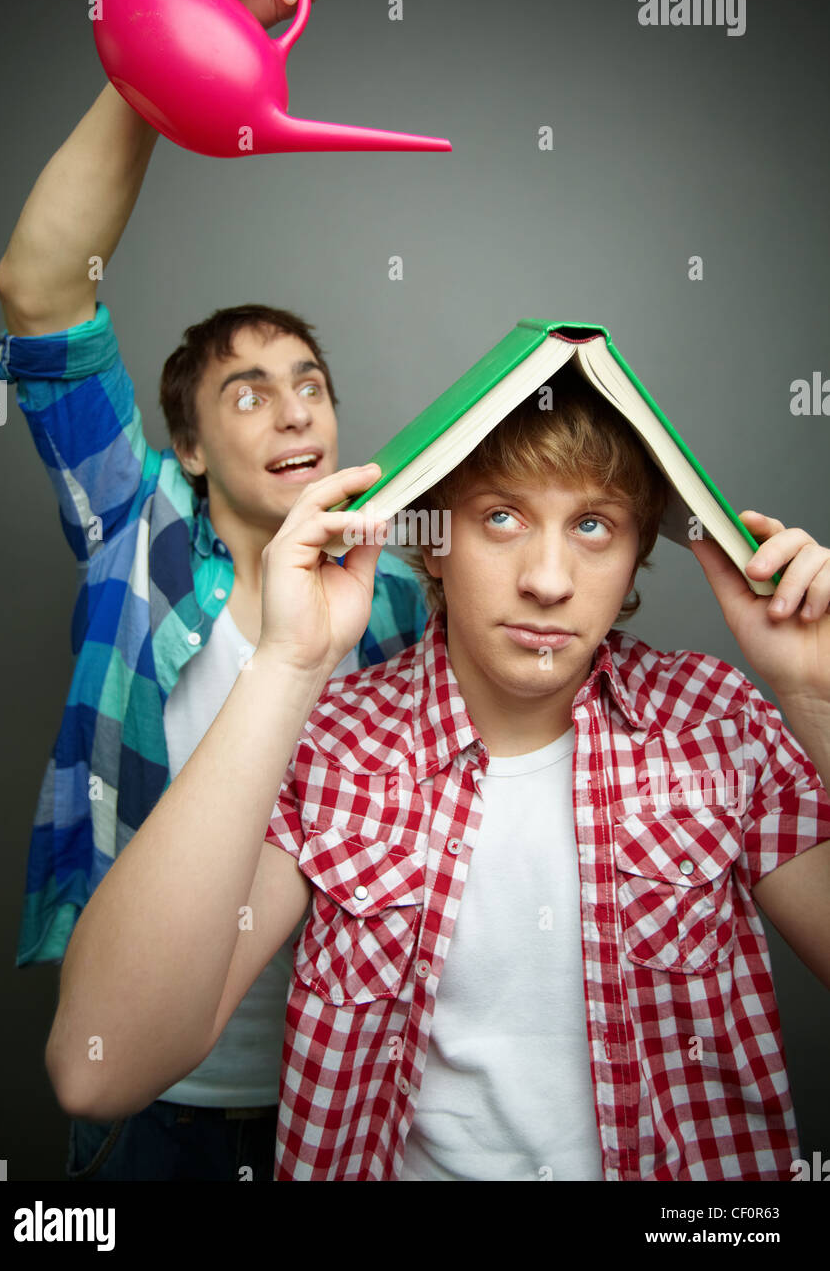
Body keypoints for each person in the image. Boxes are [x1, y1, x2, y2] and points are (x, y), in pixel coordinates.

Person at [44, 365, 830, 1180]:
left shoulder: (716, 727)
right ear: (434, 542)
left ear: (636, 555)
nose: (549, 580)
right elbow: (99, 1067)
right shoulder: (338, 748)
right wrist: (286, 663)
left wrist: (816, 698)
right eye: (500, 516)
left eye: (594, 525)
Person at [0, 0, 428, 1182]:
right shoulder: (137, 530)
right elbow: (39, 290)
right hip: (151, 1107)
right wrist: (174, 57)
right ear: (187, 445)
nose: (293, 411)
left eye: (308, 381)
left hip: (351, 1093)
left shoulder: (401, 592)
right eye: (247, 390)